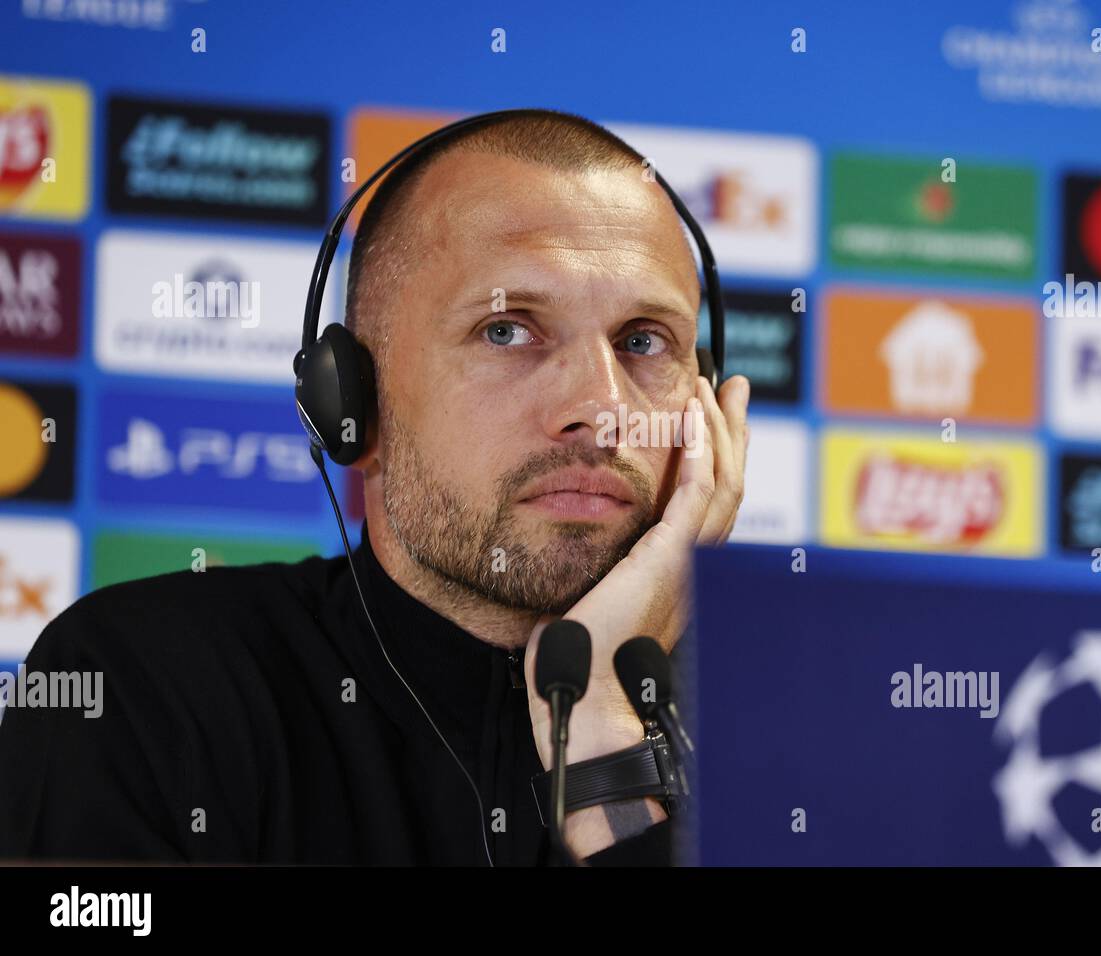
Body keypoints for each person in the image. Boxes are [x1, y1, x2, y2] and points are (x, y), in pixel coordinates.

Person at [0, 109, 750, 865]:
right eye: (507, 330)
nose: (602, 411)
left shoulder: (801, 733)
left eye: (644, 341)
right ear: (353, 405)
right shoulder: (142, 684)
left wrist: (601, 719)